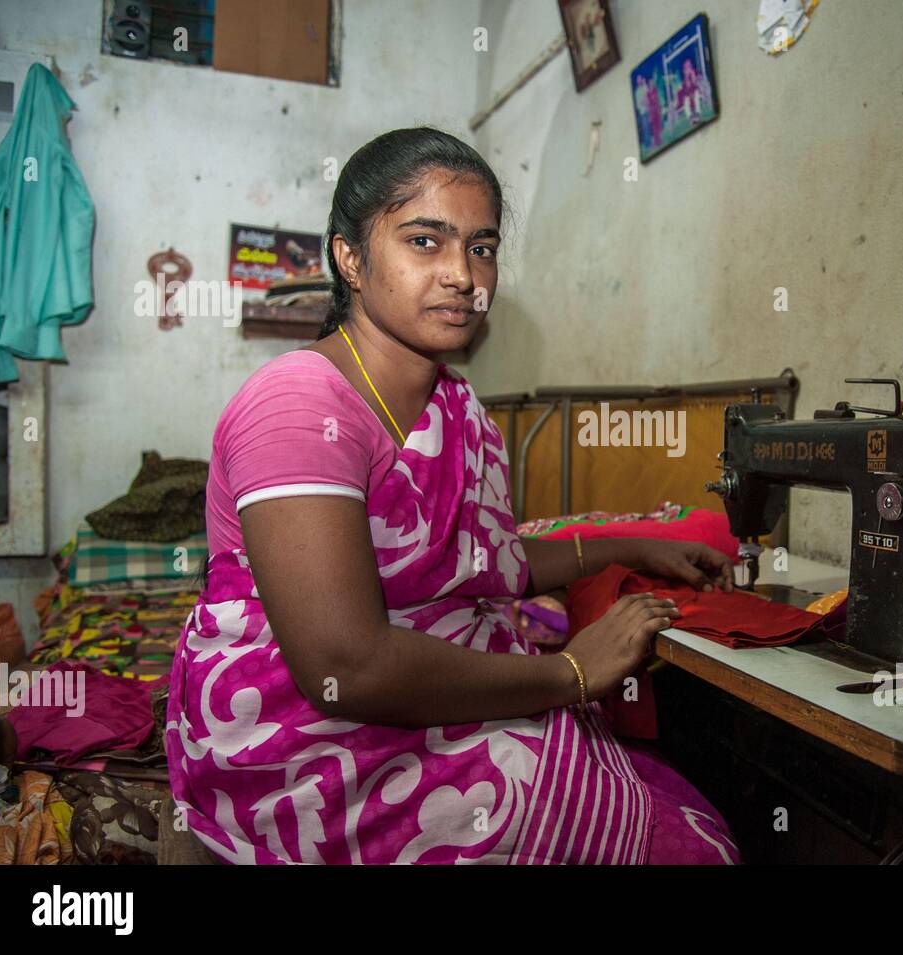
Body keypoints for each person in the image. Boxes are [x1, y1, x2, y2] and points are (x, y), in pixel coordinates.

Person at [164, 127, 740, 865]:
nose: (464, 275)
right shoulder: (300, 405)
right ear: (349, 257)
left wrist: (635, 544)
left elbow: (488, 561)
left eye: (483, 247)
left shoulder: (457, 408)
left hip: (423, 681)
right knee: (683, 850)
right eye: (425, 241)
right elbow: (349, 667)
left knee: (685, 809)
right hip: (305, 736)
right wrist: (570, 672)